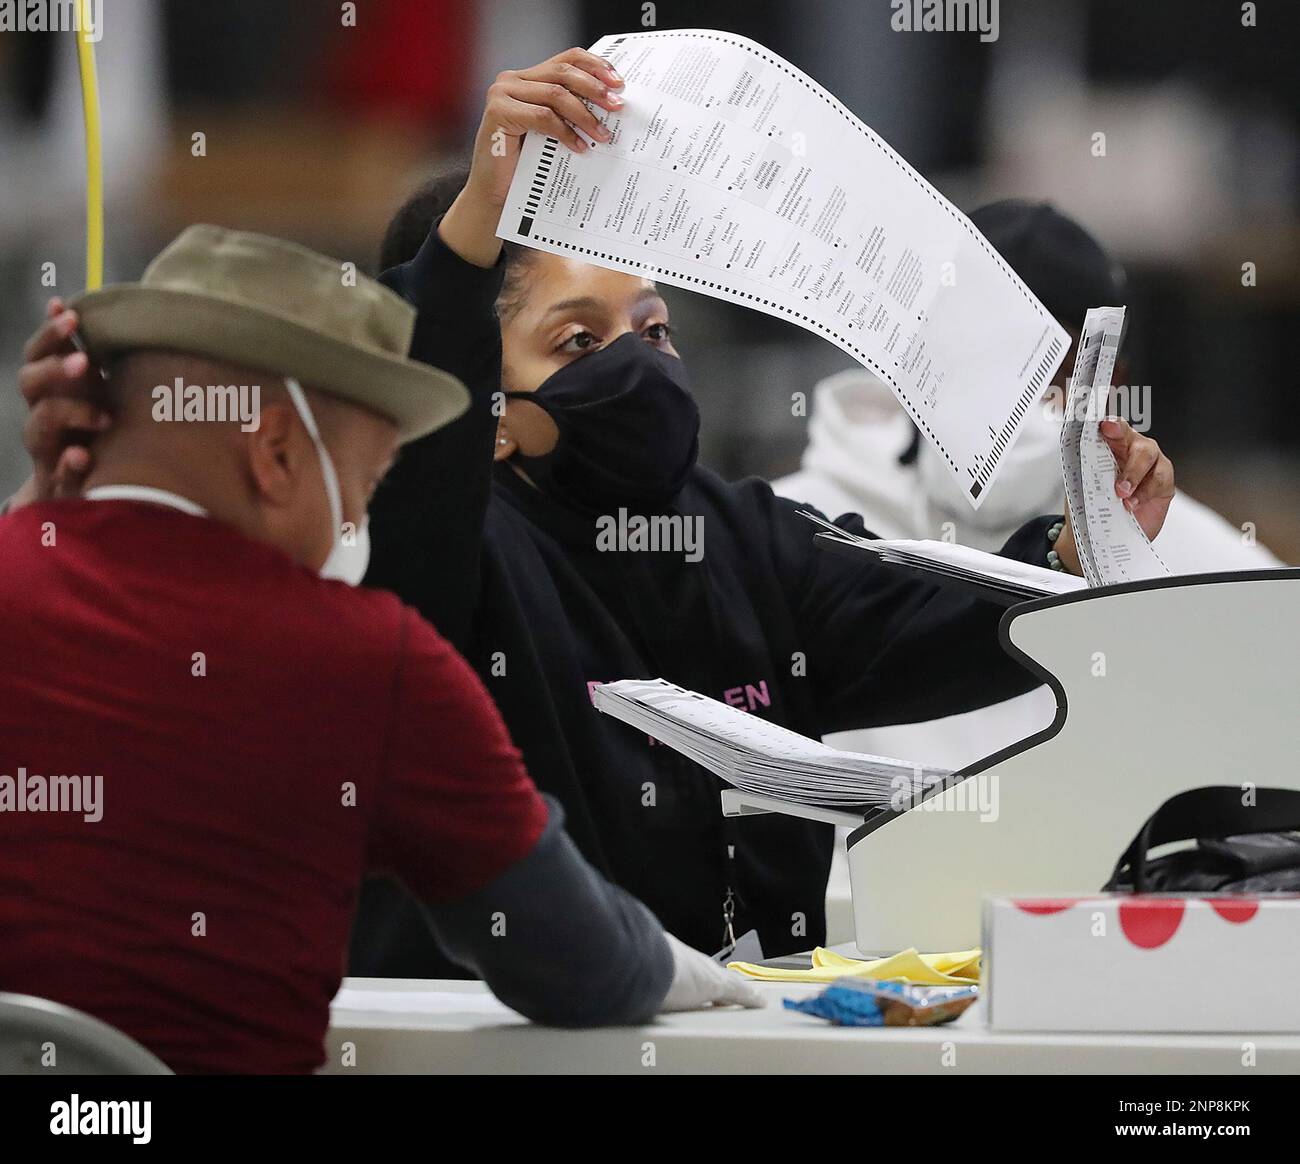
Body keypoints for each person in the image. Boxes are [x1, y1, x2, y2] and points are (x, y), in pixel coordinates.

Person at [16, 51, 1178, 981]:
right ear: (472, 390)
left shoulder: (743, 535)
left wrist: (1074, 551)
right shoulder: (422, 551)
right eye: (578, 340)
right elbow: (414, 462)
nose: (638, 367)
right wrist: (479, 215)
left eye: (656, 329)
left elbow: (942, 621)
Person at [0, 225, 759, 1075]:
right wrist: (717, 979)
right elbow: (575, 962)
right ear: (277, 452)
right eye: (363, 486)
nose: (358, 524)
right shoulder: (367, 662)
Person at [774, 199, 1284, 768]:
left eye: (1058, 374)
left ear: (1114, 381)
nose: (1020, 405)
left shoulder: (1214, 576)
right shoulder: (795, 537)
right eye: (987, 364)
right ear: (916, 359)